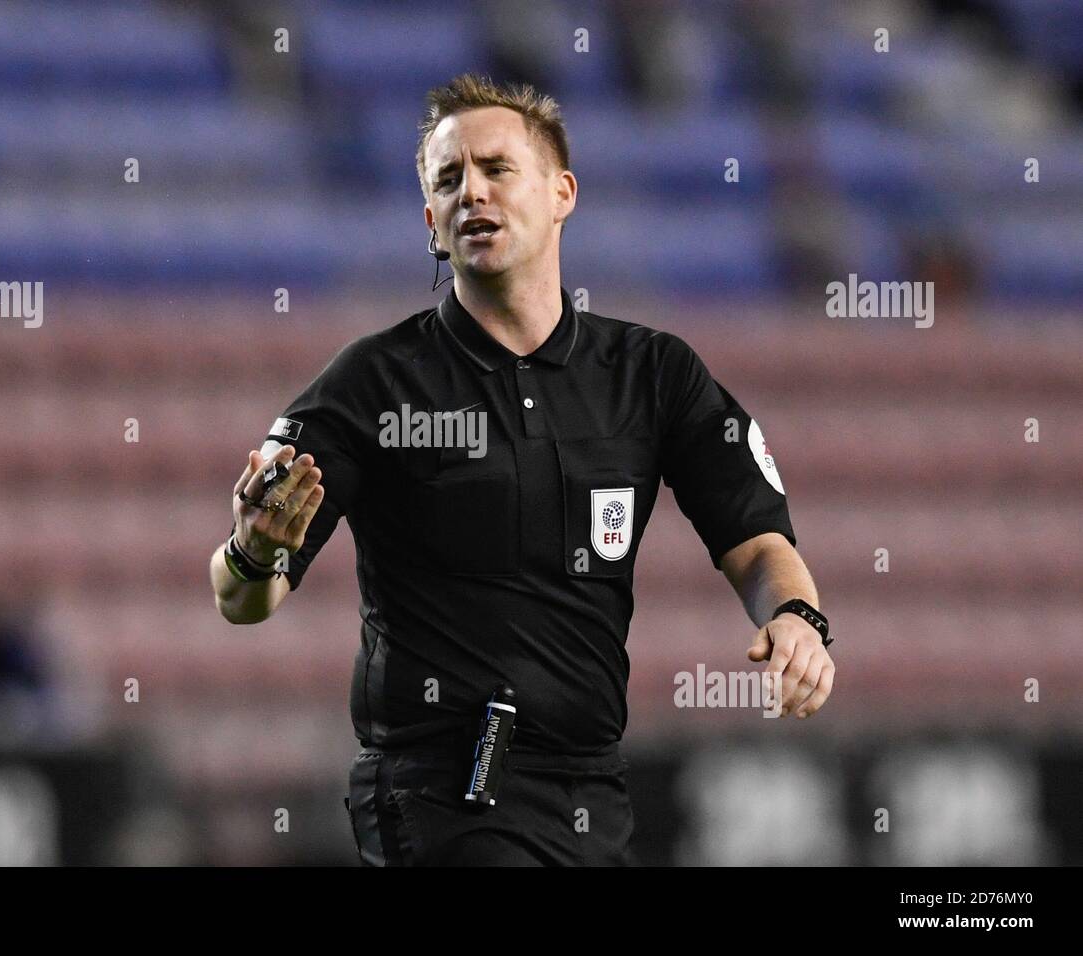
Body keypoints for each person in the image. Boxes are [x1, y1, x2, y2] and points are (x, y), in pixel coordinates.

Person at [209, 73, 835, 866]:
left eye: (496, 169)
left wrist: (796, 620)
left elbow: (757, 543)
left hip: (593, 789)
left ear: (562, 191)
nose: (471, 192)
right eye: (447, 181)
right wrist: (255, 548)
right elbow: (241, 600)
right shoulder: (374, 383)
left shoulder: (653, 374)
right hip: (444, 791)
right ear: (431, 222)